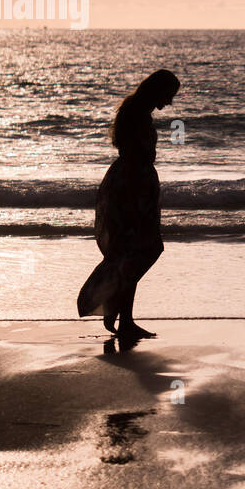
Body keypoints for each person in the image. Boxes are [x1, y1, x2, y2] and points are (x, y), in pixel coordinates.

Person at [77, 69, 180, 341]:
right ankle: (120, 314)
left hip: (132, 185)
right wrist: (140, 195)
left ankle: (123, 316)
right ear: (158, 89)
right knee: (139, 251)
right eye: (169, 95)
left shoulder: (136, 110)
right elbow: (135, 154)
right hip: (130, 188)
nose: (169, 102)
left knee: (134, 253)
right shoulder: (135, 112)